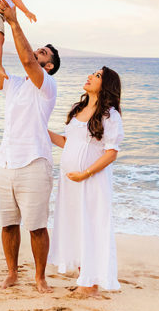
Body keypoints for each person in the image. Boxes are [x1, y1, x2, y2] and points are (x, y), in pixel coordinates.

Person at [0, 0, 60, 293]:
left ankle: (40, 278)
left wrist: (13, 21)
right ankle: (12, 273)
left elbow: (26, 60)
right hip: (5, 163)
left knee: (36, 226)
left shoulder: (47, 87)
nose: (36, 52)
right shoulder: (14, 83)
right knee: (8, 224)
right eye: (38, 50)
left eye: (42, 53)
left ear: (48, 65)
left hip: (34, 163)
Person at [48, 67, 124, 297]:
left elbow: (111, 153)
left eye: (97, 76)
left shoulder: (110, 115)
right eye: (92, 73)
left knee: (91, 226)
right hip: (70, 182)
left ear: (106, 85)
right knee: (76, 226)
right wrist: (42, 130)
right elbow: (67, 142)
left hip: (92, 181)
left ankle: (90, 285)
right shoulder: (78, 109)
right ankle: (85, 278)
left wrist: (85, 173)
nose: (90, 77)